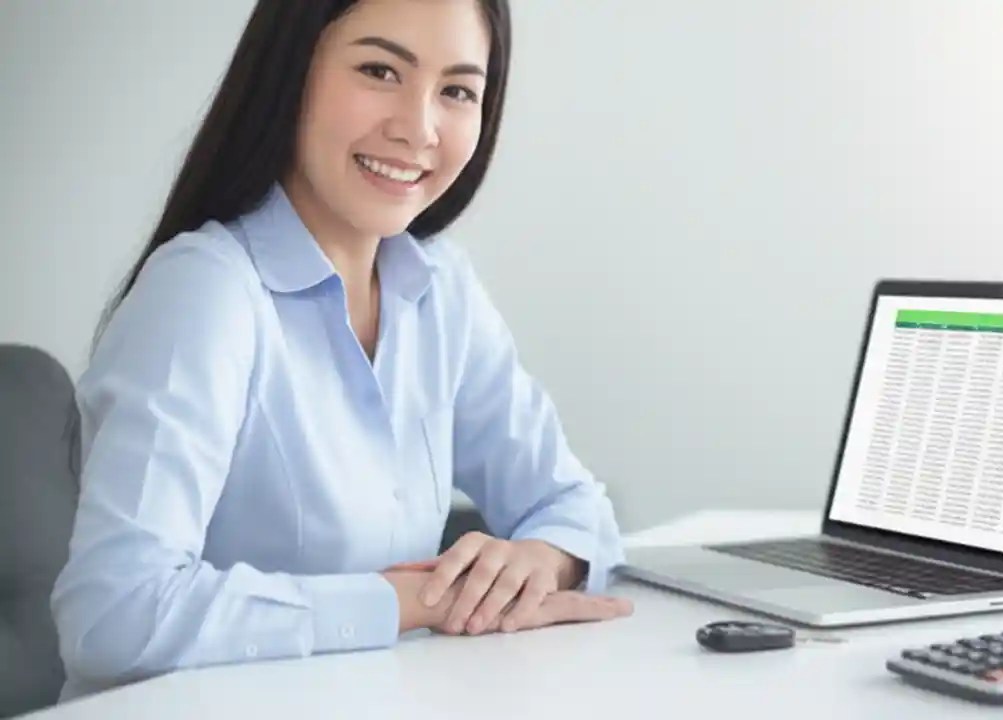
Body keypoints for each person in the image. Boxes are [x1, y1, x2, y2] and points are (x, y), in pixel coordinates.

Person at [51, 0, 631, 701]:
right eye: (379, 69)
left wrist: (538, 561)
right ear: (291, 72)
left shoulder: (438, 288)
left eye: (456, 91)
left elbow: (574, 505)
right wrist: (412, 601)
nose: (417, 127)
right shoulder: (207, 291)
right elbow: (116, 612)